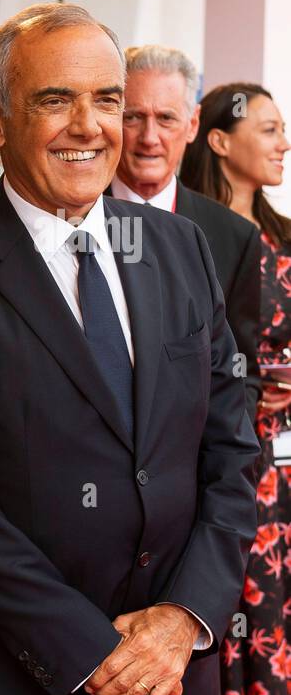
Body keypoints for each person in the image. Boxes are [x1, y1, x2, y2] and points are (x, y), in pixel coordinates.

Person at [0, 3, 259, 695]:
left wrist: (181, 623)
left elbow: (233, 453)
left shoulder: (179, 245)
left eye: (107, 101)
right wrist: (88, 651)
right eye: (55, 100)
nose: (90, 127)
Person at [182, 81, 291, 695]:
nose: (283, 142)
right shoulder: (191, 236)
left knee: (275, 621)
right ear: (219, 141)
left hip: (282, 463)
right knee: (218, 615)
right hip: (215, 459)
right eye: (270, 128)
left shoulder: (285, 236)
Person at [111, 45, 261, 421]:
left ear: (192, 125)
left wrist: (221, 471)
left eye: (165, 118)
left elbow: (241, 376)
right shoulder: (68, 220)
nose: (149, 137)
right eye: (133, 118)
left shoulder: (235, 237)